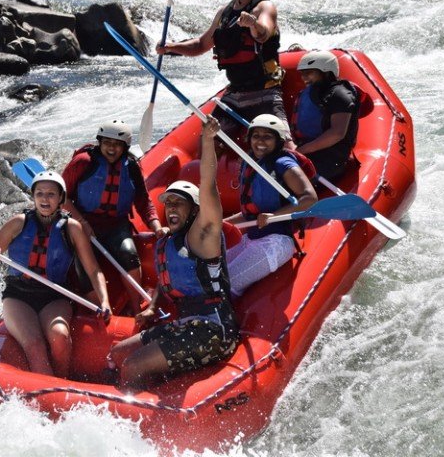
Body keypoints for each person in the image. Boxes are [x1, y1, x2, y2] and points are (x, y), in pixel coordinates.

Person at [109, 116, 239, 389]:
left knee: (132, 365)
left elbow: (209, 186)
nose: (171, 209)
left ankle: (128, 418)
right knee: (117, 353)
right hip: (186, 324)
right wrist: (154, 306)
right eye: (168, 204)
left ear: (194, 210)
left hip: (212, 329)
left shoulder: (204, 236)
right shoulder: (168, 241)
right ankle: (126, 391)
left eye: (179, 204)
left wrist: (207, 140)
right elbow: (166, 279)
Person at [0, 171, 111, 378]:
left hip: (54, 295)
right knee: (34, 344)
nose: (44, 199)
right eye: (39, 193)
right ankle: (50, 395)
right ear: (33, 197)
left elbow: (93, 270)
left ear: (61, 199)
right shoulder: (18, 222)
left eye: (51, 194)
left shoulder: (72, 228)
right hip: (19, 295)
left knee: (60, 336)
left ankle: (62, 380)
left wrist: (104, 301)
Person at [155, 0, 286, 140]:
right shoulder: (224, 13)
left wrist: (253, 24)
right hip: (234, 95)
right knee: (207, 139)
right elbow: (200, 45)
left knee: (284, 148)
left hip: (265, 93)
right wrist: (170, 47)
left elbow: (263, 34)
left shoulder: (264, 7)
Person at [62, 120, 167, 314]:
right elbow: (62, 196)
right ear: (99, 142)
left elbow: (143, 202)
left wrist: (156, 226)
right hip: (83, 221)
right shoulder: (83, 162)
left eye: (117, 144)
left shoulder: (131, 168)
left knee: (129, 255)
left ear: (125, 147)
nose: (111, 148)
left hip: (116, 225)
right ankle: (98, 311)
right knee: (83, 263)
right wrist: (82, 222)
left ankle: (136, 309)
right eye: (107, 142)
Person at [223, 115, 318, 297]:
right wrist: (220, 224)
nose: (260, 141)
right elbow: (249, 215)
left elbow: (309, 198)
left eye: (267, 137)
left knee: (222, 286)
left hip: (276, 242)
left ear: (278, 141)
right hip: (252, 238)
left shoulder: (284, 164)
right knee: (207, 275)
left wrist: (274, 216)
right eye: (256, 136)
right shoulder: (251, 162)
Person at [291, 50, 360, 182]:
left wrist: (300, 151)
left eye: (309, 73)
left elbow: (337, 133)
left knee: (284, 175)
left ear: (326, 71)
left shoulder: (340, 94)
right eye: (302, 74)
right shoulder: (314, 93)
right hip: (309, 152)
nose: (304, 78)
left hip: (329, 160)